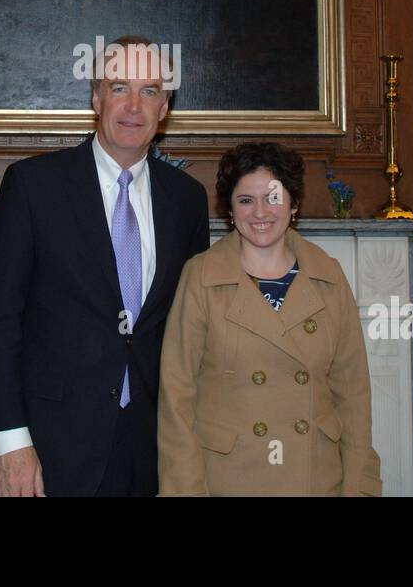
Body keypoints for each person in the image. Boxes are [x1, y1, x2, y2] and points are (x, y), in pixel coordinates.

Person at [0, 35, 210, 496]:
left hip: (150, 448)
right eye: (119, 87)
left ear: (165, 108)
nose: (133, 106)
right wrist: (9, 441)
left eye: (150, 91)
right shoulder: (33, 186)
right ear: (96, 97)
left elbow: (189, 327)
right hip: (45, 449)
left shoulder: (186, 199)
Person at [158, 142, 382, 496]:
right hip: (228, 480)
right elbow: (176, 396)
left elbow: (353, 395)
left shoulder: (329, 277)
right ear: (230, 208)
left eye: (273, 197)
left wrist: (359, 488)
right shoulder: (201, 277)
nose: (260, 212)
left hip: (315, 478)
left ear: (293, 205)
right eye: (246, 200)